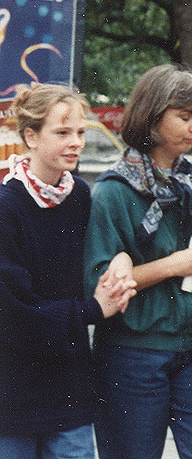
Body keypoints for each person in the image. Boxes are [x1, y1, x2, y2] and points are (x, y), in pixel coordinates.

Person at [84, 64, 192, 459]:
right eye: (184, 116)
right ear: (152, 118)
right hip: (132, 356)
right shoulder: (112, 194)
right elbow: (99, 288)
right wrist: (173, 265)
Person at [0, 84, 136, 459]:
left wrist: (119, 259)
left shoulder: (79, 196)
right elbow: (13, 313)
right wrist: (93, 310)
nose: (76, 142)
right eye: (62, 133)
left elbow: (97, 258)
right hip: (12, 394)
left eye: (80, 132)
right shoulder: (6, 206)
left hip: (69, 389)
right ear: (31, 136)